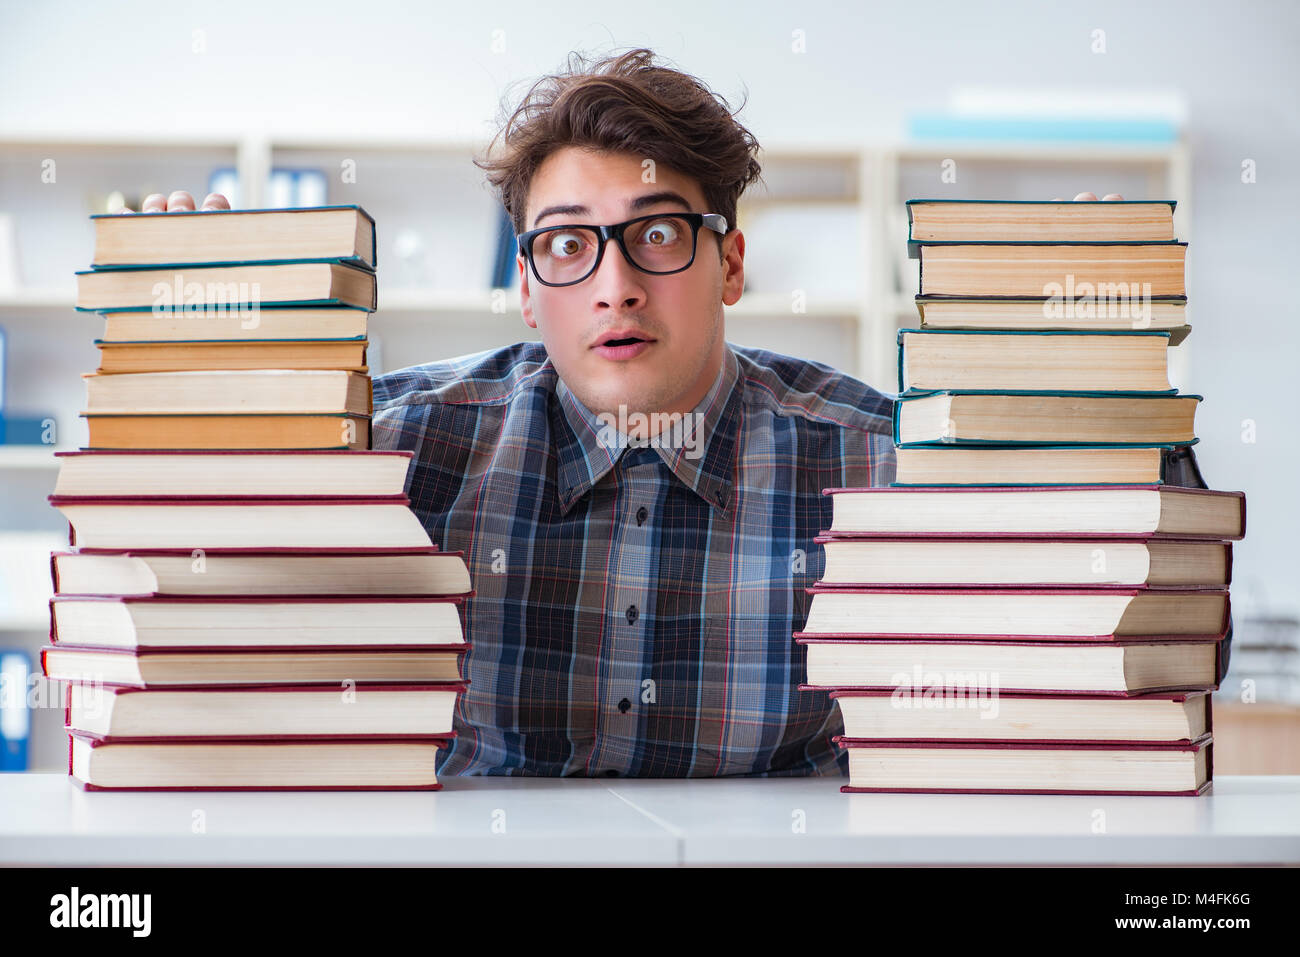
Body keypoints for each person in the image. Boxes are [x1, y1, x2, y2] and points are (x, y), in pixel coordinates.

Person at [119, 47, 1227, 777]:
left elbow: (1114, 599)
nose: (614, 285)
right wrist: (199, 322)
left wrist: (1087, 367)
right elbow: (183, 577)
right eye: (567, 242)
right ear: (525, 282)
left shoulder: (878, 463)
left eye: (657, 233)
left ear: (730, 261)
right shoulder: (403, 449)